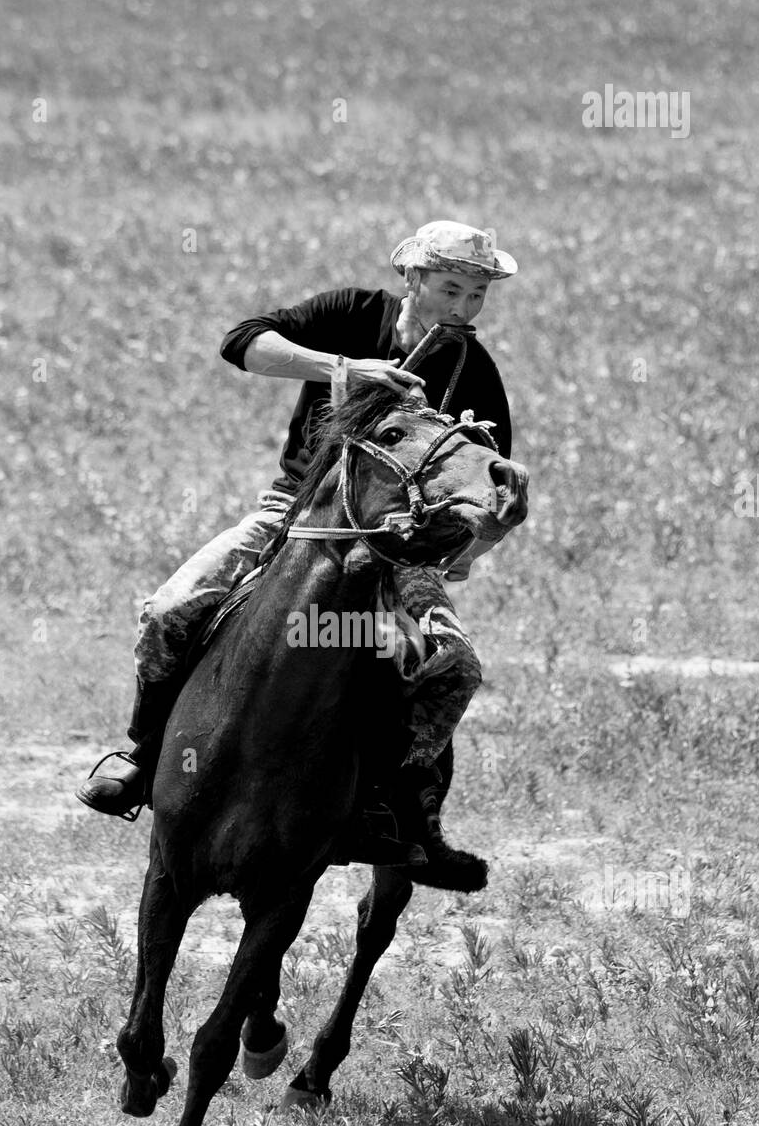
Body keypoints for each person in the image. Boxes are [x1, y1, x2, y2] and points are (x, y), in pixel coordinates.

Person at [77, 220, 519, 874]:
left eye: (475, 295)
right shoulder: (350, 316)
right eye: (450, 288)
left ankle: (403, 814)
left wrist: (480, 534)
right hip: (293, 516)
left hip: (397, 546)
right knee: (172, 607)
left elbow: (482, 493)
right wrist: (339, 367)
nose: (461, 307)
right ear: (412, 278)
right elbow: (242, 344)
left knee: (453, 667)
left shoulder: (472, 372)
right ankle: (143, 756)